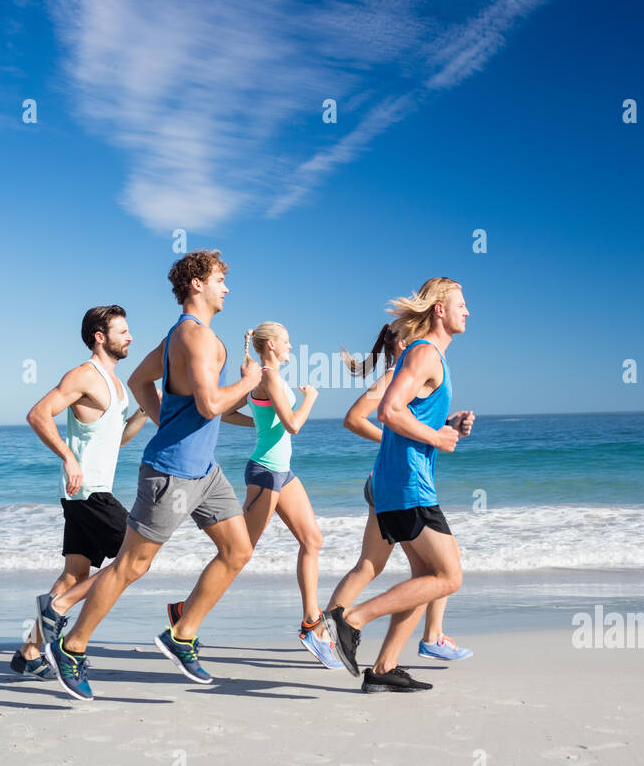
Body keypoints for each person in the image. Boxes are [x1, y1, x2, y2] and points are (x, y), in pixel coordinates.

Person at [43, 250, 260, 699]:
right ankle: (72, 646)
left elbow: (141, 383)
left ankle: (181, 634)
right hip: (170, 473)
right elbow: (210, 405)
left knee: (238, 551)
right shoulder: (192, 337)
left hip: (205, 471)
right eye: (220, 278)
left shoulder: (193, 338)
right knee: (131, 566)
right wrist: (251, 381)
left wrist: (170, 422)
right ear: (196, 284)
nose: (227, 287)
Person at [323, 278, 474, 693]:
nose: (468, 311)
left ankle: (385, 667)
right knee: (449, 576)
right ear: (440, 309)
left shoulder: (429, 358)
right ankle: (350, 620)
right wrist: (437, 438)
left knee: (424, 574)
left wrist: (447, 425)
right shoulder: (424, 354)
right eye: (461, 304)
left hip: (401, 483)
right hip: (408, 485)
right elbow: (389, 411)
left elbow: (408, 416)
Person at [170, 322, 340, 668]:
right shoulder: (267, 377)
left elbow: (235, 414)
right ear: (272, 345)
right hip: (264, 473)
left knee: (313, 541)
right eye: (288, 342)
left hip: (282, 473)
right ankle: (184, 613)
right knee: (238, 553)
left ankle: (311, 622)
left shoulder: (262, 376)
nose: (292, 346)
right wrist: (310, 398)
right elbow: (293, 424)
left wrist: (262, 423)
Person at [10, 305, 150, 678]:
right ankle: (66, 629)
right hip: (88, 492)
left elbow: (115, 441)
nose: (130, 336)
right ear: (100, 337)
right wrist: (69, 457)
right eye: (122, 331)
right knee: (136, 557)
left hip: (86, 493)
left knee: (74, 574)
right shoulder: (84, 375)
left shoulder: (115, 386)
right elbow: (38, 414)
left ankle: (29, 652)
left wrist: (143, 414)